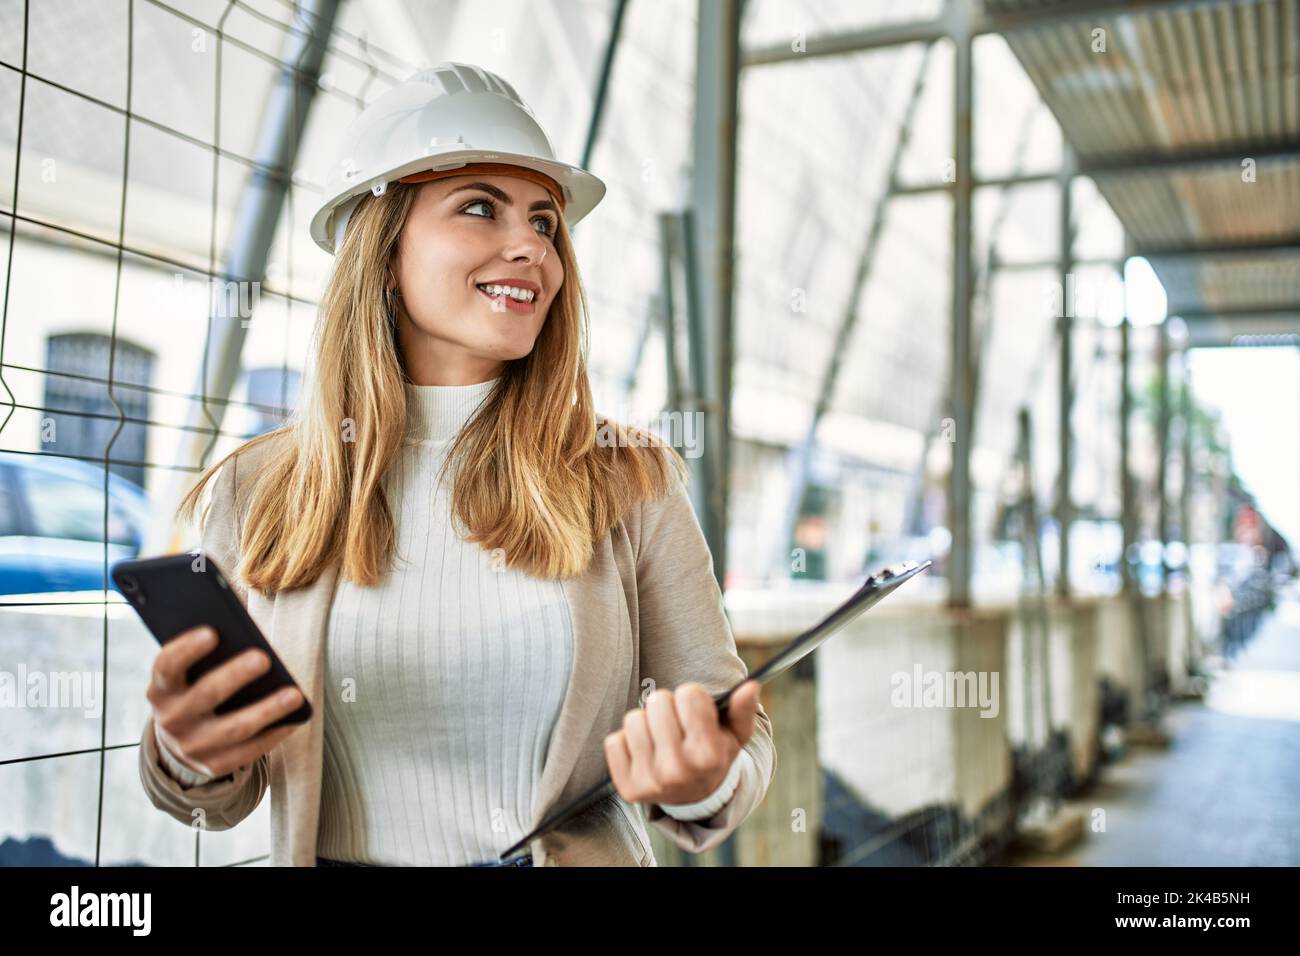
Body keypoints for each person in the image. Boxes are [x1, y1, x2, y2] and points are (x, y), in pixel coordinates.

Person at [137, 63, 776, 867]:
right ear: (385, 248)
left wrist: (703, 778)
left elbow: (738, 731)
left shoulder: (629, 479)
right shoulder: (260, 489)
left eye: (545, 223)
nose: (531, 248)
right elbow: (216, 800)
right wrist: (193, 751)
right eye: (480, 207)